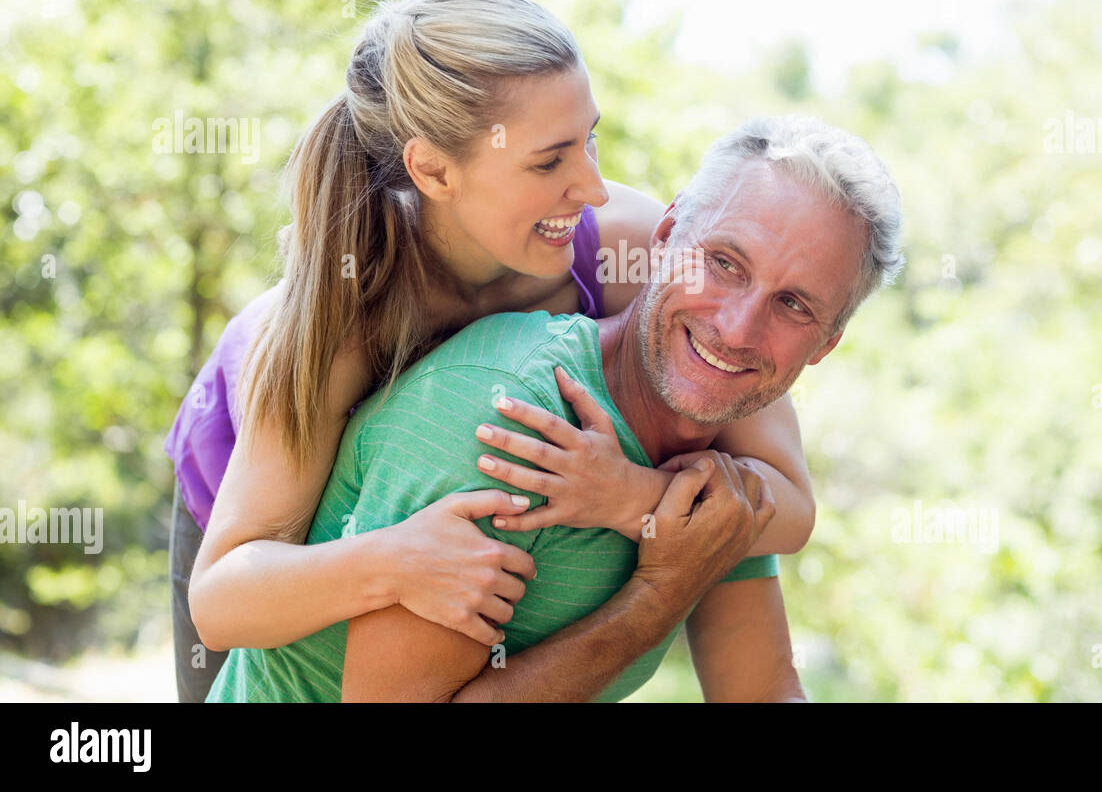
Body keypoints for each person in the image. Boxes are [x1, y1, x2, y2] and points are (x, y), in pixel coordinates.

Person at [167, 0, 818, 701]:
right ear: (434, 170)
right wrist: (394, 559)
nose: (595, 187)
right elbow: (222, 602)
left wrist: (630, 496)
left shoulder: (626, 249)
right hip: (257, 518)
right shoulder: (351, 314)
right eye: (550, 162)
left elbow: (787, 509)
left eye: (589, 140)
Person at [207, 114, 905, 702]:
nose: (738, 328)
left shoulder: (713, 471)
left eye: (793, 304)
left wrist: (649, 510)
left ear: (826, 343)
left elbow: (761, 690)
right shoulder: (509, 423)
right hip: (241, 464)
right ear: (662, 241)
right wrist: (657, 596)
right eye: (723, 262)